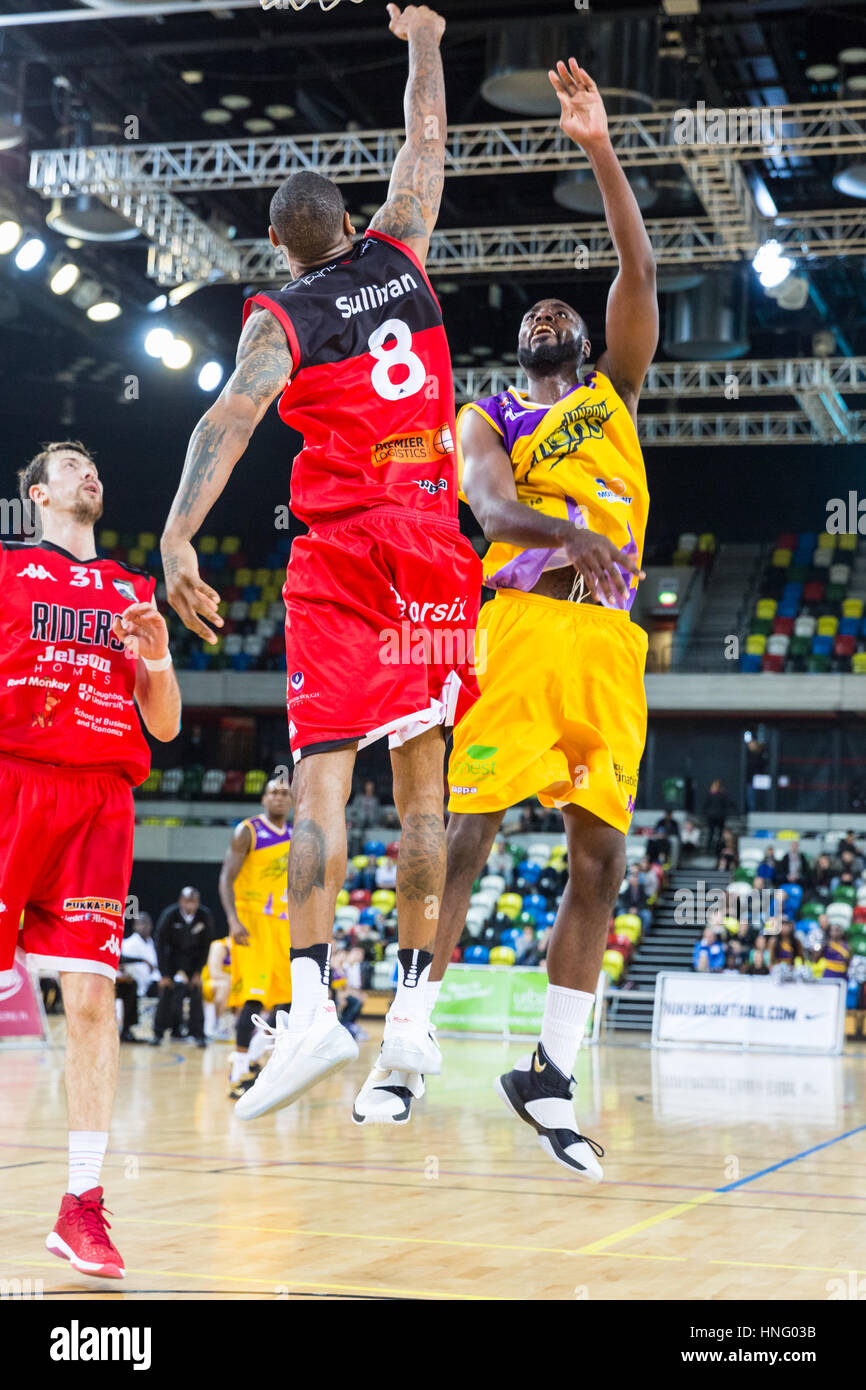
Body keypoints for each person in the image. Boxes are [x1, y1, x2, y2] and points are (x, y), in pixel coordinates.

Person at [160, 4, 483, 1118]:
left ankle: (308, 1008)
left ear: (275, 245)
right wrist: (424, 42)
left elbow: (230, 422)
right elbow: (427, 140)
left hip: (343, 555)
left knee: (320, 785)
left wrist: (176, 533)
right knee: (424, 792)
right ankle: (411, 1015)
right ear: (351, 220)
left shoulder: (279, 317)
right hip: (435, 553)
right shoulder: (401, 248)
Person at [423, 56, 658, 1177]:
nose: (552, 311)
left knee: (601, 860)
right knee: (470, 831)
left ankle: (547, 1072)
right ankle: (408, 1035)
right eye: (536, 311)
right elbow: (490, 509)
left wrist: (598, 146)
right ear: (520, 348)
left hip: (611, 649)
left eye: (565, 310)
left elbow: (635, 263)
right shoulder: (495, 411)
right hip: (523, 631)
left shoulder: (611, 393)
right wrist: (570, 535)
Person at [0, 439, 180, 1280]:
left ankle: (81, 1207)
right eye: (70, 466)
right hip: (12, 780)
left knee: (92, 1007)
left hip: (101, 800)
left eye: (93, 466)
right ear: (37, 494)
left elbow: (169, 723)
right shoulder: (7, 570)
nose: (89, 474)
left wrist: (156, 653)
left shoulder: (131, 590)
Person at [218, 779, 293, 1100]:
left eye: (284, 793)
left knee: (286, 1002)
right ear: (264, 798)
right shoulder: (247, 831)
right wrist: (233, 920)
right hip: (250, 925)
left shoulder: (296, 835)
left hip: (283, 925)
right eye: (273, 792)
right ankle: (237, 1072)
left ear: (291, 800)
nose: (278, 797)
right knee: (252, 999)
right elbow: (226, 878)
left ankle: (255, 1062)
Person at [152, 887, 215, 1047]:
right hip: (171, 961)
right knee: (166, 992)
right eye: (187, 901)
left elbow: (205, 947)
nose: (190, 905)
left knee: (196, 993)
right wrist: (164, 974)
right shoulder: (170, 915)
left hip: (193, 962)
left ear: (197, 902)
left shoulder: (204, 916)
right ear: (181, 901)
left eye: (193, 901)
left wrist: (198, 972)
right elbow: (160, 944)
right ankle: (158, 1033)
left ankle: (198, 1034)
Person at [617, 864, 652, 937]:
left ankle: (643, 934)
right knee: (620, 914)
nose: (634, 879)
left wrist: (637, 909)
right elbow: (623, 901)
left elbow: (644, 902)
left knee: (647, 915)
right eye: (633, 876)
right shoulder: (626, 888)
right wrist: (630, 909)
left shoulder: (642, 888)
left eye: (636, 877)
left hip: (639, 910)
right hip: (627, 909)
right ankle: (619, 934)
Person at [702, 780, 730, 856]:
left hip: (716, 816)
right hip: (716, 816)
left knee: (714, 834)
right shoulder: (721, 795)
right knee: (715, 834)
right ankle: (712, 850)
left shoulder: (715, 795)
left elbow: (706, 806)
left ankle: (712, 850)